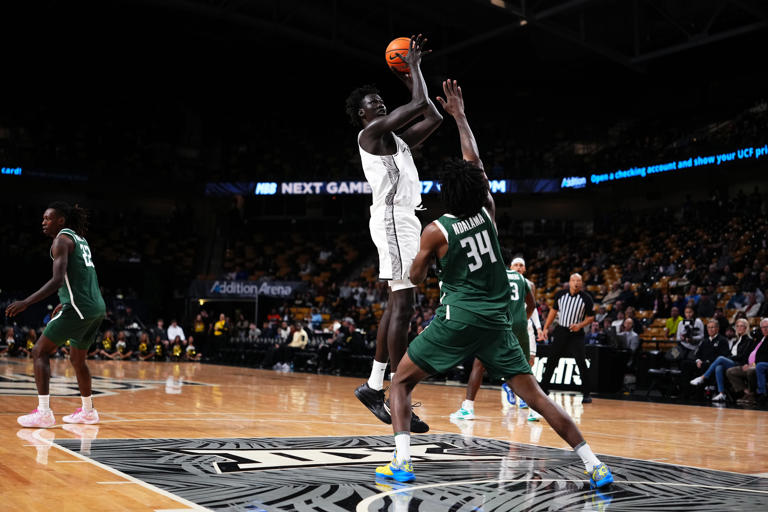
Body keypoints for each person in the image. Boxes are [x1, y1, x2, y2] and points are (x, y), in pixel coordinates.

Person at [375, 79, 612, 490]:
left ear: (447, 195)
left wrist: (427, 265)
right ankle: (595, 465)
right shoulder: (488, 213)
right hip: (498, 324)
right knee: (537, 398)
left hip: (457, 319)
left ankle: (402, 461)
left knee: (399, 382)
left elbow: (413, 277)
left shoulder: (436, 230)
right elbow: (475, 161)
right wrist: (461, 117)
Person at [348, 34, 442, 435]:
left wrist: (408, 74)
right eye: (372, 103)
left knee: (399, 304)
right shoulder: (369, 137)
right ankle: (394, 393)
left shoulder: (399, 142)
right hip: (390, 218)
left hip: (406, 219)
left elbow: (433, 115)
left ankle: (376, 386)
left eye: (380, 100)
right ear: (361, 115)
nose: (378, 103)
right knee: (402, 306)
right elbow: (418, 104)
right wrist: (414, 67)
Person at [6, 202, 106, 427]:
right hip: (96, 307)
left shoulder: (61, 240)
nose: (43, 222)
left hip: (79, 308)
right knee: (77, 359)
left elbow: (57, 280)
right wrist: (65, 301)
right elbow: (81, 276)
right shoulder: (80, 239)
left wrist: (26, 302)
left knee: (39, 351)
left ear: (61, 221)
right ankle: (88, 411)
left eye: (47, 218)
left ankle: (43, 413)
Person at [448, 252, 541, 423]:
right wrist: (521, 319)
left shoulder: (494, 276)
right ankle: (534, 410)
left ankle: (468, 408)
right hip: (520, 325)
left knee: (479, 365)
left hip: (499, 323)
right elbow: (533, 305)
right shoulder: (523, 280)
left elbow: (485, 302)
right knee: (525, 367)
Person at [540, 273, 596, 403]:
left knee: (581, 362)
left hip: (576, 333)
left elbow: (591, 317)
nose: (576, 283)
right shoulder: (560, 294)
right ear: (570, 282)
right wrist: (546, 328)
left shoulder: (586, 298)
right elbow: (553, 312)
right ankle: (543, 389)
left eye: (578, 281)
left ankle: (586, 393)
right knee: (551, 360)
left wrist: (580, 325)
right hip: (561, 331)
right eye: (573, 280)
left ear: (581, 283)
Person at [690, 318, 755, 401]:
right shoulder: (736, 340)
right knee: (719, 367)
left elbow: (743, 356)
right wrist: (729, 357)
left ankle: (703, 377)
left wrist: (729, 358)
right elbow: (730, 354)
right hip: (733, 361)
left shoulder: (749, 340)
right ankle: (721, 393)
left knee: (720, 358)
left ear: (746, 328)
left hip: (740, 363)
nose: (739, 328)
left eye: (741, 326)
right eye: (737, 326)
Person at [725, 318, 768, 405]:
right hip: (749, 364)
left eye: (767, 327)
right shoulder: (760, 339)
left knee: (750, 372)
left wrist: (753, 364)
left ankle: (755, 394)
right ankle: (747, 393)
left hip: (757, 365)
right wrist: (747, 364)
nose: (765, 329)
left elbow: (764, 357)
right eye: (763, 327)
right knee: (731, 371)